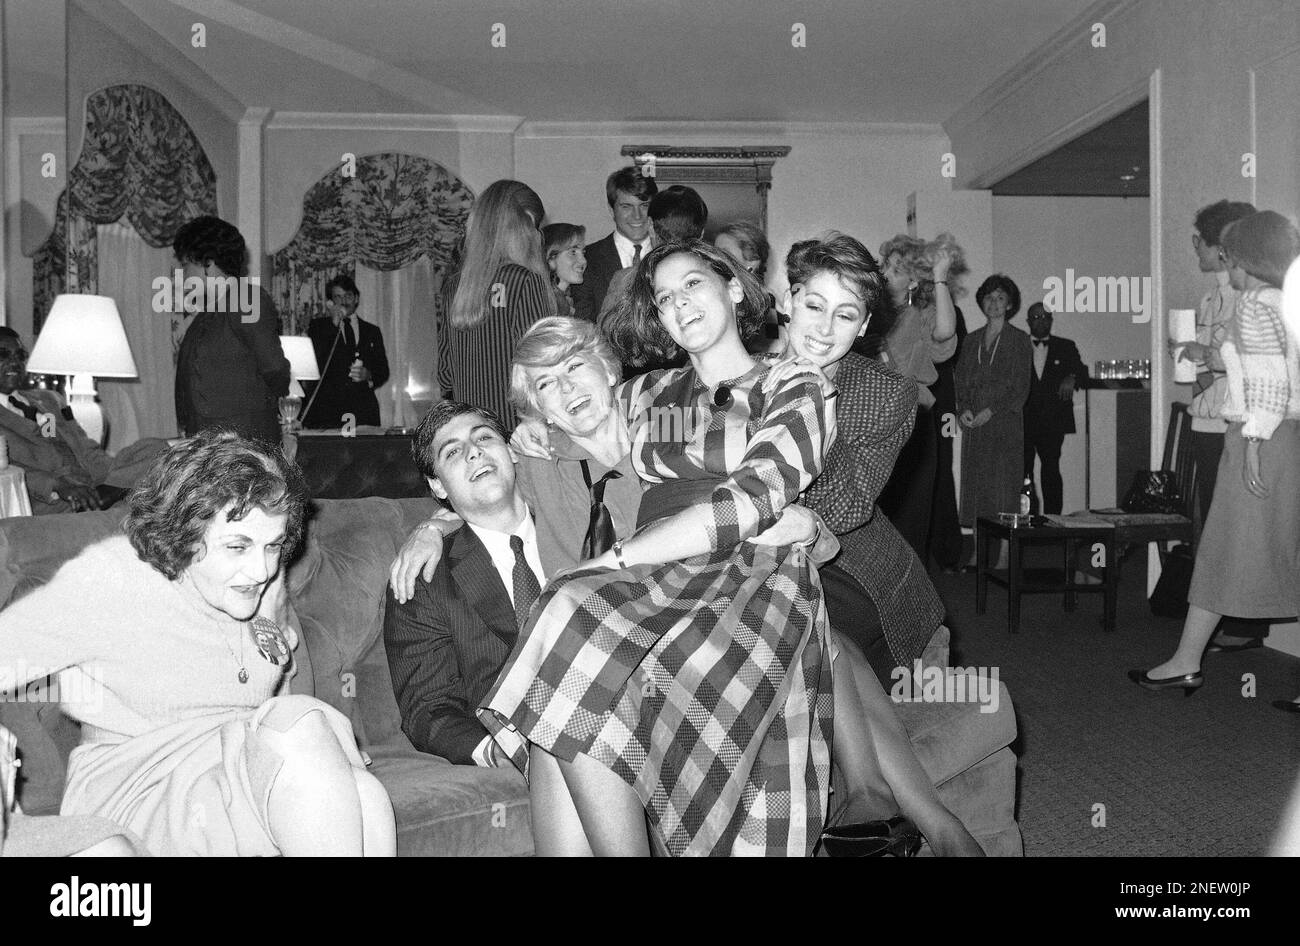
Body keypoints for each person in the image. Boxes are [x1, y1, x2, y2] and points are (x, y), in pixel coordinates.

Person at [478, 239, 834, 856]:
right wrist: (523, 430)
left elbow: (751, 498)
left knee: (570, 608)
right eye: (665, 298)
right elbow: (572, 406)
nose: (679, 303)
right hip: (663, 583)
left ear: (733, 287)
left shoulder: (793, 382)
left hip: (751, 579)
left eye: (693, 284)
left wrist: (617, 559)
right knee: (564, 702)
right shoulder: (651, 393)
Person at [0, 431, 396, 855]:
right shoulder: (112, 582)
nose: (260, 569)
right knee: (301, 725)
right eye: (237, 546)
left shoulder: (263, 584)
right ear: (185, 532)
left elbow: (273, 682)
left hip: (233, 772)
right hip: (141, 787)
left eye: (274, 545)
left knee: (367, 796)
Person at [1132, 211, 1300, 696]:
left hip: (1259, 437)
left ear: (1247, 257)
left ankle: (1186, 661)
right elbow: (1263, 364)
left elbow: (1269, 382)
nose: (1224, 263)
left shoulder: (1254, 303)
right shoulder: (1280, 300)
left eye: (1229, 254)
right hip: (1281, 437)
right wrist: (1212, 355)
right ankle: (1185, 659)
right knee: (1266, 550)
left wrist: (1252, 442)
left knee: (1235, 550)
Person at [782, 234, 948, 687]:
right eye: (814, 306)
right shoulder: (742, 380)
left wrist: (810, 399)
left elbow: (844, 508)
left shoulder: (887, 392)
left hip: (851, 573)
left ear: (863, 326)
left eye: (846, 315)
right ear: (787, 300)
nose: (824, 328)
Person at [1170, 199, 1262, 652]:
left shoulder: (1248, 297)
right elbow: (1206, 368)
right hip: (1207, 420)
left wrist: (1199, 356)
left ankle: (1245, 624)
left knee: (1232, 527)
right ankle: (1219, 622)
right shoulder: (1212, 296)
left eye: (1202, 241)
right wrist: (1189, 357)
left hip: (1233, 423)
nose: (1196, 248)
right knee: (1212, 525)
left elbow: (1233, 362)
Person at [0, 327, 168, 513]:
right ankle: (116, 496)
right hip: (57, 499)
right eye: (3, 354)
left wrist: (113, 474)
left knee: (156, 448)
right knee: (147, 504)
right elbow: (9, 471)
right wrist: (57, 485)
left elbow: (84, 447)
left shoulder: (48, 399)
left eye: (20, 355)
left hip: (93, 481)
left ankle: (108, 494)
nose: (14, 363)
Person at [438, 180, 557, 430]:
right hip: (519, 432)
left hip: (470, 432)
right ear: (523, 224)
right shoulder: (525, 281)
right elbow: (543, 367)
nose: (538, 236)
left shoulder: (453, 288)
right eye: (535, 226)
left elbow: (445, 376)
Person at [875, 233, 965, 559]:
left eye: (896, 270)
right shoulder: (868, 312)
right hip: (872, 422)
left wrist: (939, 277)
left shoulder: (921, 313)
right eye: (884, 265)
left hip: (912, 422)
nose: (885, 273)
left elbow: (944, 333)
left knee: (909, 518)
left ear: (913, 281)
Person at [173, 216, 290, 443]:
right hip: (211, 446)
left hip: (242, 446)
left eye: (186, 264)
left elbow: (275, 370)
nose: (183, 274)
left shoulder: (246, 298)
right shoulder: (205, 315)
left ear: (208, 263)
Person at [955, 275, 1032, 568]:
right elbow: (960, 382)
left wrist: (992, 410)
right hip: (975, 429)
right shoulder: (971, 339)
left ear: (1009, 304)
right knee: (975, 489)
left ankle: (1003, 555)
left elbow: (1020, 388)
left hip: (1004, 427)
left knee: (1003, 489)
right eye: (989, 297)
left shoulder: (1019, 340)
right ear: (981, 302)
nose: (994, 303)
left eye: (1000, 298)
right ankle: (976, 551)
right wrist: (962, 409)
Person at [596, 184, 709, 337]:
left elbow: (606, 339)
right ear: (702, 232)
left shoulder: (625, 282)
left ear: (650, 225)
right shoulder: (718, 278)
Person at [1023, 302, 1088, 514]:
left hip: (1053, 421)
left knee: (1051, 470)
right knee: (1024, 473)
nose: (1040, 321)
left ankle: (1053, 522)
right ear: (1028, 322)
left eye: (1044, 317)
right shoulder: (1018, 345)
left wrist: (1072, 376)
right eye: (1035, 317)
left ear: (1051, 321)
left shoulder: (1065, 346)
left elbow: (1082, 371)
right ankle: (1028, 521)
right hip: (1023, 420)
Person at [571, 167, 657, 323]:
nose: (637, 216)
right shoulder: (588, 259)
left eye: (644, 205)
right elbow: (583, 326)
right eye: (626, 207)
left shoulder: (668, 256)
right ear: (611, 210)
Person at [302, 274, 389, 429]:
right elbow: (315, 362)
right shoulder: (318, 327)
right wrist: (334, 324)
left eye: (348, 296)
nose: (343, 301)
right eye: (337, 297)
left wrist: (369, 375)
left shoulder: (372, 331)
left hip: (363, 411)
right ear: (330, 302)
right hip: (327, 411)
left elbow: (383, 370)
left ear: (356, 299)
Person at [542, 224, 588, 320]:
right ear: (551, 257)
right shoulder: (543, 304)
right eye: (573, 252)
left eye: (583, 252)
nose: (583, 261)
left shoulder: (567, 300)